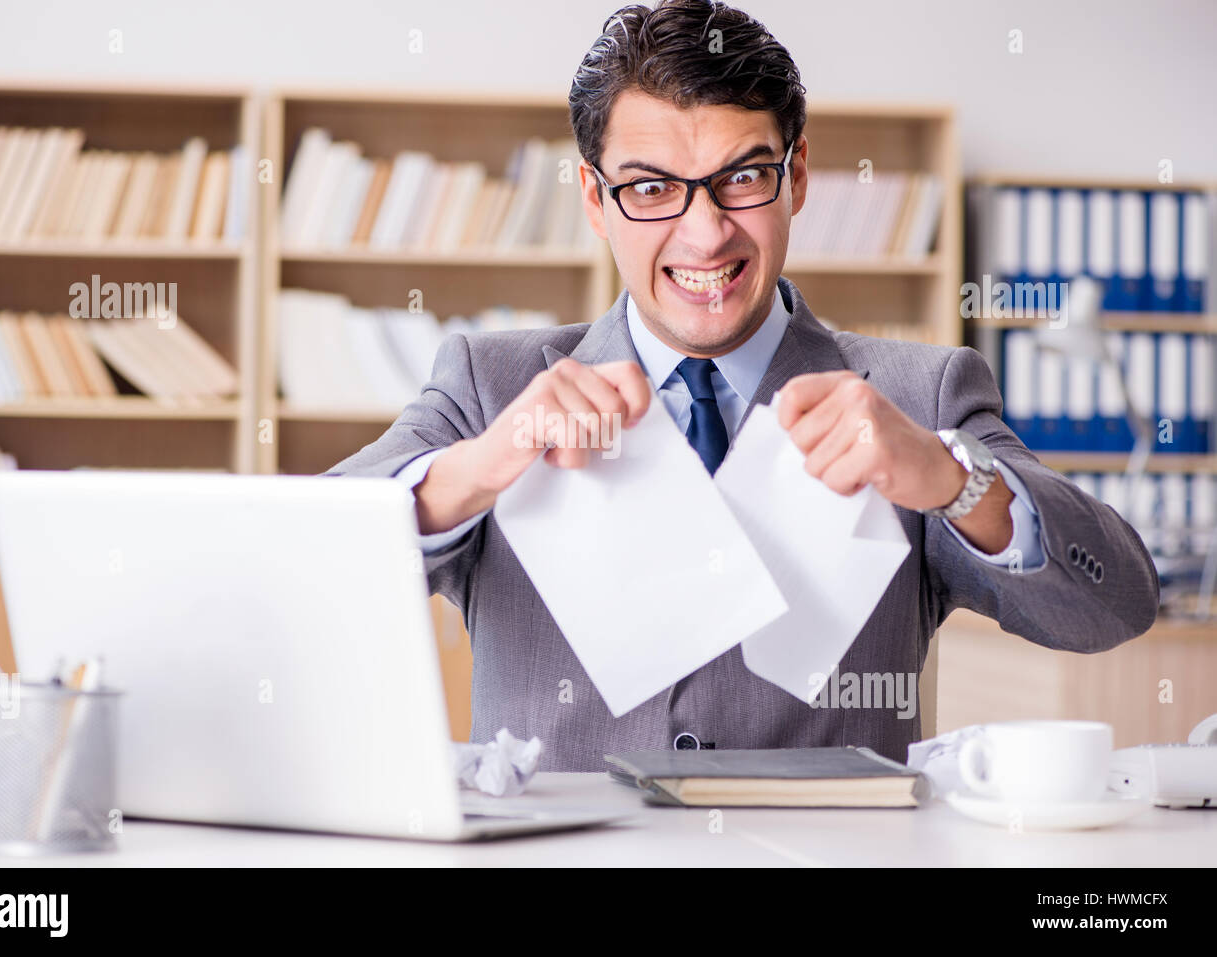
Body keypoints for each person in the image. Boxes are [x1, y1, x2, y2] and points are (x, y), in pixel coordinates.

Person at [325, 0, 1159, 771]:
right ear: (594, 197)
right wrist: (475, 469)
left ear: (796, 178)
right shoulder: (491, 384)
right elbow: (304, 568)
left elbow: (1115, 603)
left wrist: (952, 476)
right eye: (651, 188)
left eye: (743, 178)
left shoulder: (919, 395)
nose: (704, 231)